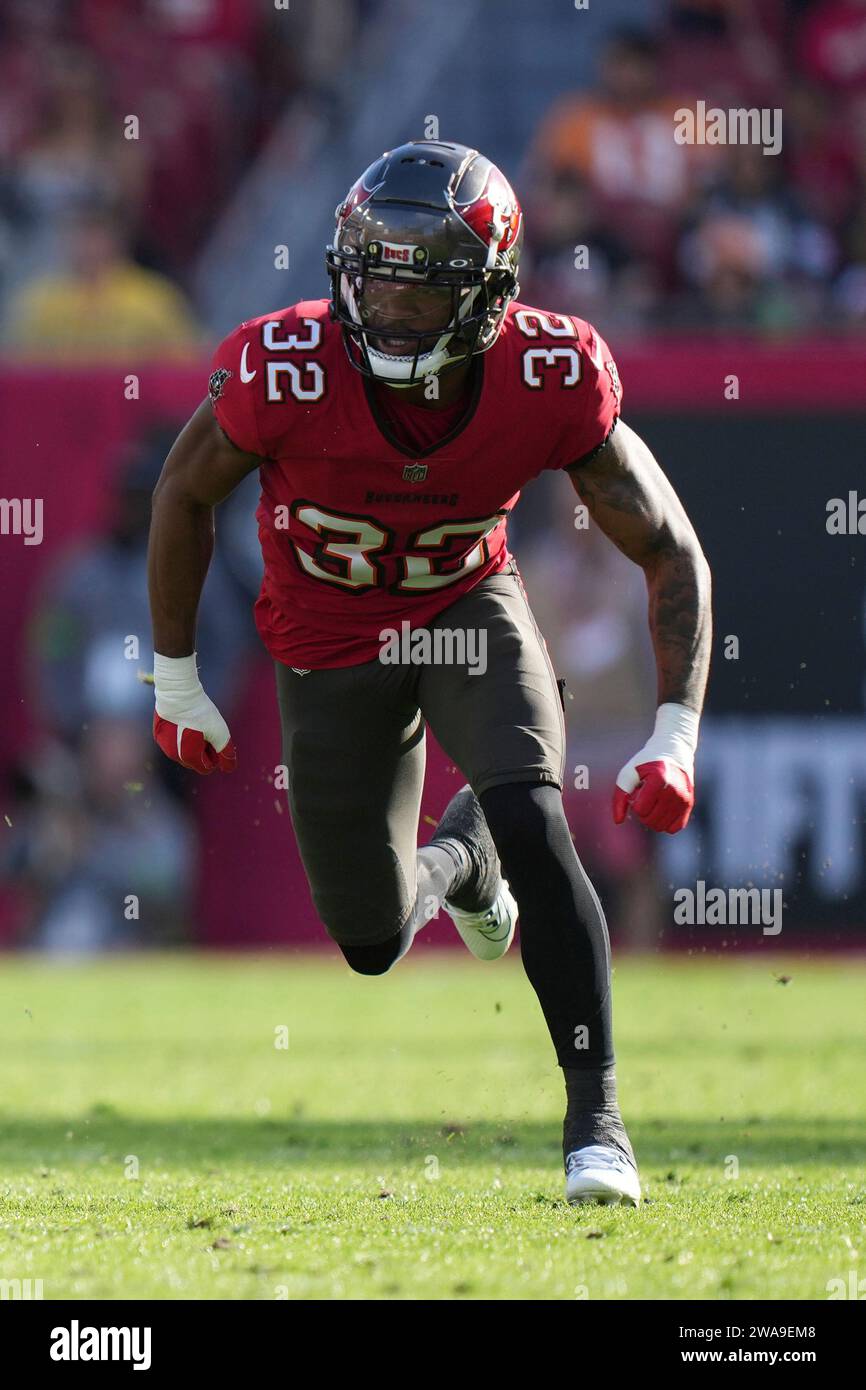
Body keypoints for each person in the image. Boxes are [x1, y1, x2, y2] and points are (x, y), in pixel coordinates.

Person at [146, 140, 712, 1207]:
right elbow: (182, 492)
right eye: (374, 279)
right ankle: (459, 860)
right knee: (370, 940)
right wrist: (175, 677)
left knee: (534, 818)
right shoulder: (285, 365)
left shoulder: (547, 372)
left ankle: (595, 1124)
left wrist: (673, 731)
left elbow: (668, 545)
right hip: (324, 643)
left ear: (488, 296)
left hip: (465, 608)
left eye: (420, 289)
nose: (389, 307)